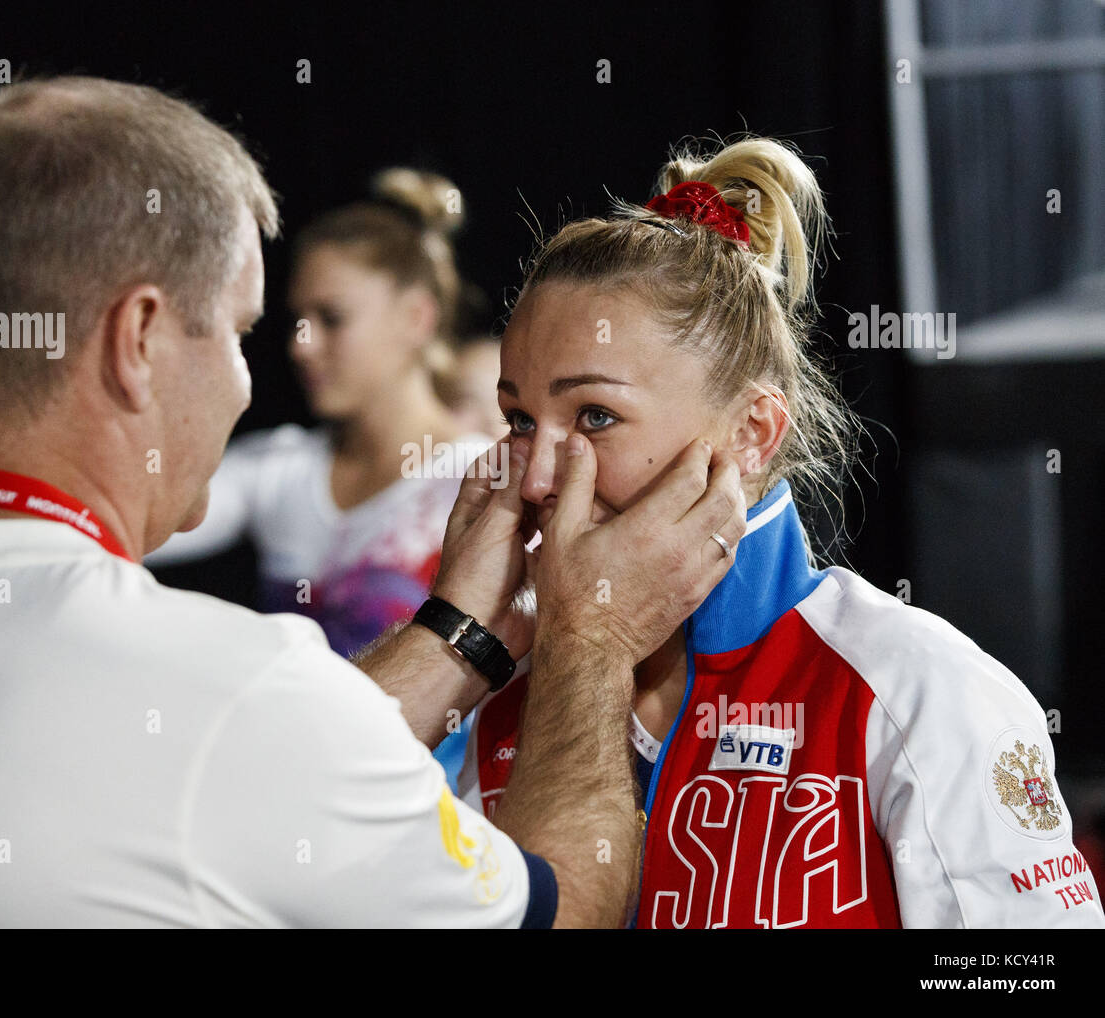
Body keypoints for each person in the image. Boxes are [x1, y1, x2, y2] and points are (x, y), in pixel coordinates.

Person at [0, 75, 746, 928]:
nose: (252, 382)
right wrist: (592, 641)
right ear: (137, 340)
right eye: (239, 333)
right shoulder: (227, 689)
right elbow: (562, 907)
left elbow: (261, 770)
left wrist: (463, 630)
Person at [457, 136, 1105, 929]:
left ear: (754, 433)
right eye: (521, 419)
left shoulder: (912, 689)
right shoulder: (497, 719)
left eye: (595, 415)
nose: (537, 477)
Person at [146, 170, 491, 785]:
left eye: (331, 319)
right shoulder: (279, 469)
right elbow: (117, 516)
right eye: (296, 320)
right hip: (295, 794)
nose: (302, 345)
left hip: (435, 820)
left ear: (417, 318)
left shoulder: (482, 478)